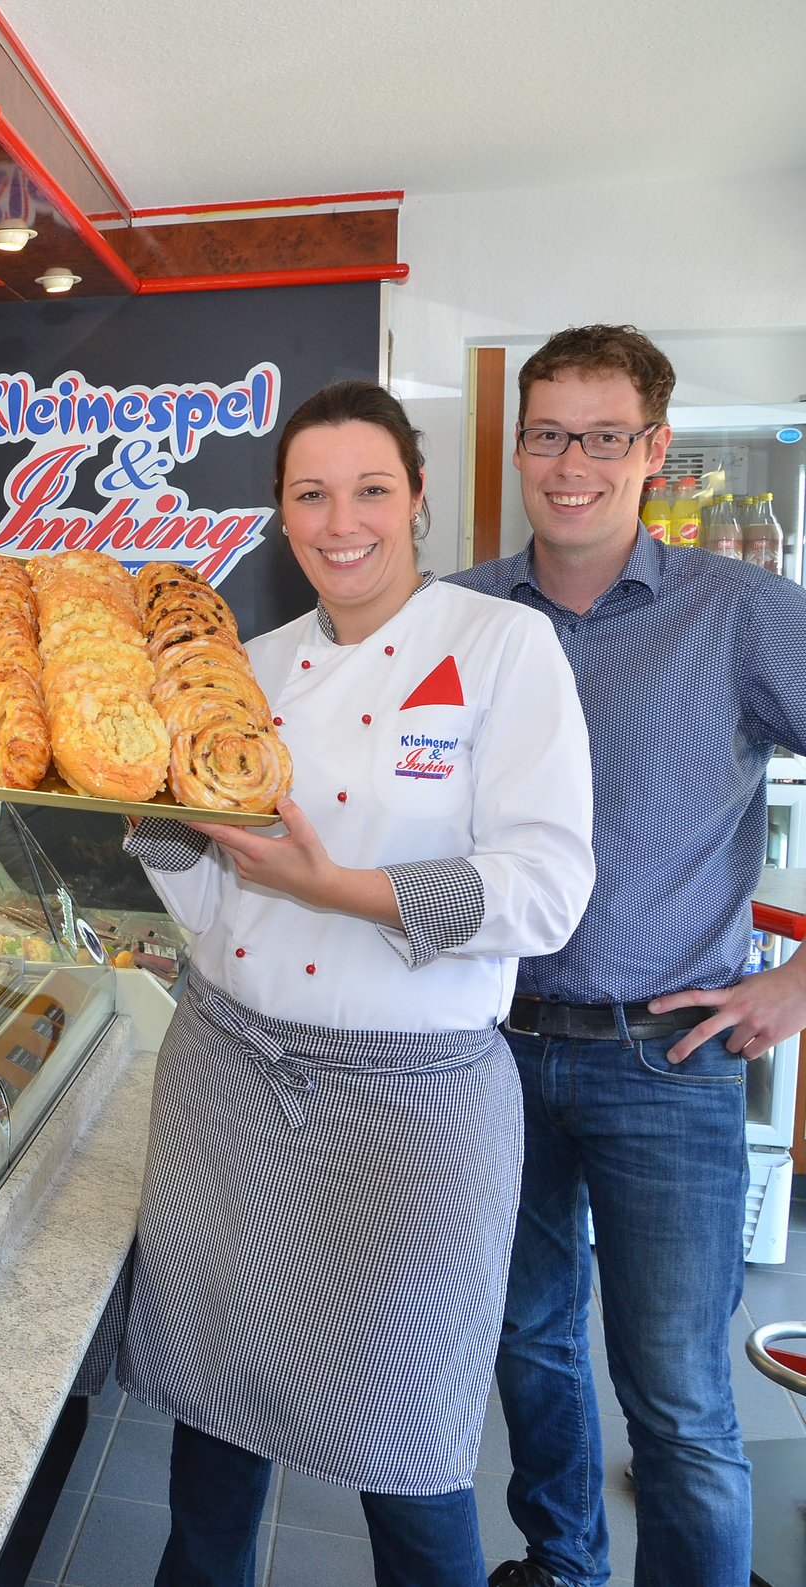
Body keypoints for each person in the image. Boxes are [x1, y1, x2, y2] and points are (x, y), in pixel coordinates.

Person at [117, 381, 596, 1587]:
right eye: (309, 494)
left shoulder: (501, 645)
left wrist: (342, 888)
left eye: (369, 489)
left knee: (411, 1454)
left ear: (417, 498)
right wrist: (150, 812)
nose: (342, 521)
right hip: (228, 1076)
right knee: (214, 1429)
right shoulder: (243, 668)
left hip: (415, 1108)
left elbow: (544, 890)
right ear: (281, 516)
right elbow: (216, 898)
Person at [452, 325, 806, 1587]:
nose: (570, 464)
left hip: (668, 1060)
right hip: (489, 1051)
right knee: (527, 1350)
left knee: (676, 1399)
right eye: (547, 432)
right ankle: (561, 1567)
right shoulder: (465, 612)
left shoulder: (741, 614)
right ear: (518, 445)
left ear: (651, 451)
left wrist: (796, 982)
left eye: (603, 436)